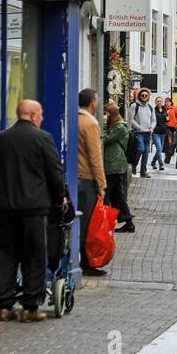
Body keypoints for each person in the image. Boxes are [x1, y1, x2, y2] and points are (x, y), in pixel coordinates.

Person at [0, 99, 67, 323]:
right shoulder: (43, 138)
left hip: (5, 209)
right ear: (34, 115)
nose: (42, 118)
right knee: (34, 256)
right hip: (34, 209)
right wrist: (59, 200)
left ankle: (4, 306)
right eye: (41, 114)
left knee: (4, 255)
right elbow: (55, 174)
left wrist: (0, 192)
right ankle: (30, 308)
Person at [76, 88, 108, 277]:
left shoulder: (74, 119)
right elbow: (95, 156)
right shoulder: (90, 123)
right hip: (87, 178)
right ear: (93, 103)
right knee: (88, 224)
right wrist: (101, 184)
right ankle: (86, 262)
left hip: (74, 177)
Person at [102, 101, 135, 234]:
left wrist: (103, 124)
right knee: (117, 196)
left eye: (106, 113)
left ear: (111, 114)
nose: (104, 115)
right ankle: (128, 223)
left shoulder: (120, 127)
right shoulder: (116, 125)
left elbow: (105, 139)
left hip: (114, 165)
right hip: (113, 164)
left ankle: (105, 223)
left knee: (106, 194)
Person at [129, 88, 154, 177]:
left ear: (148, 97)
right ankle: (134, 164)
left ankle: (143, 172)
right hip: (138, 132)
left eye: (146, 95)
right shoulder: (134, 106)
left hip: (148, 133)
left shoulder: (150, 107)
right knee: (140, 149)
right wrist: (138, 127)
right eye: (142, 95)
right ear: (139, 96)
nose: (144, 97)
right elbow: (131, 119)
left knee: (146, 152)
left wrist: (152, 127)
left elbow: (153, 120)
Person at [164, 98, 177, 165]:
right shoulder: (163, 108)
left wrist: (176, 122)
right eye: (166, 102)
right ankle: (168, 154)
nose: (167, 103)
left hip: (173, 126)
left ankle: (169, 152)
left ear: (171, 102)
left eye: (168, 102)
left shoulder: (174, 108)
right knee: (169, 139)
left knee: (170, 140)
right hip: (165, 126)